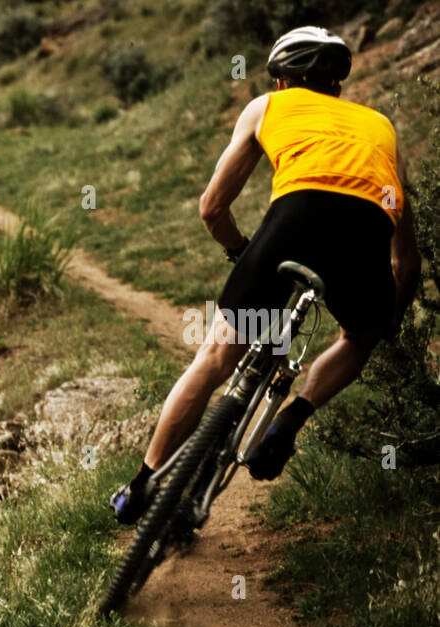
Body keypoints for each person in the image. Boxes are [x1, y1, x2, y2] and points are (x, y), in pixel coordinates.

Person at [110, 26, 422, 525]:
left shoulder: (267, 107)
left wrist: (242, 252)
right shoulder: (381, 127)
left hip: (295, 218)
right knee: (357, 338)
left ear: (285, 79)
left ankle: (142, 484)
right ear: (335, 84)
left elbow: (212, 207)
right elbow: (407, 264)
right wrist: (382, 325)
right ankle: (289, 422)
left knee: (214, 357)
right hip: (367, 228)